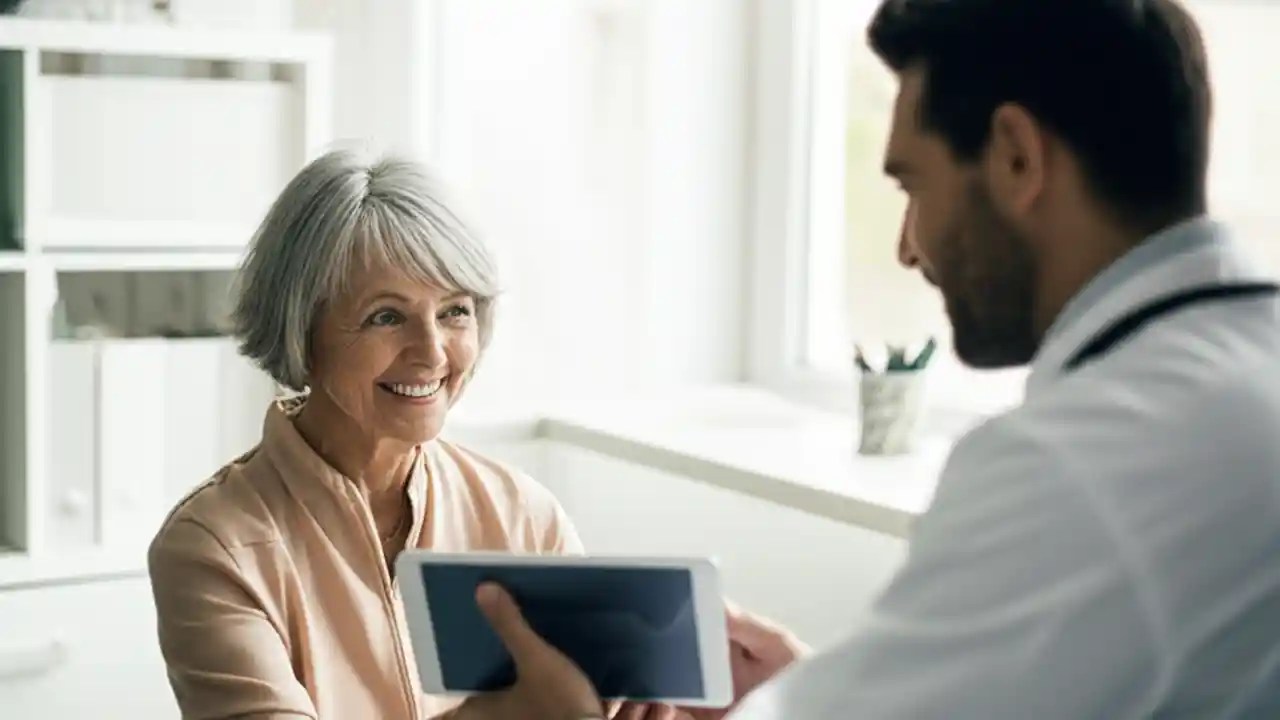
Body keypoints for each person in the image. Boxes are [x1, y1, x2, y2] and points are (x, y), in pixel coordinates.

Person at [464, 0, 1280, 717]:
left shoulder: (1085, 461)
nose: (907, 247)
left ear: (1017, 157)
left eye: (911, 185)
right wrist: (824, 689)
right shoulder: (1236, 376)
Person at [147, 149, 676, 720]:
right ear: (302, 330)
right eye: (386, 316)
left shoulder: (523, 515)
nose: (431, 353)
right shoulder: (215, 546)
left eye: (455, 311)